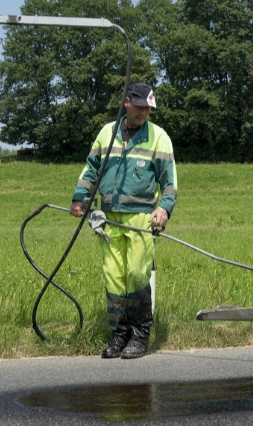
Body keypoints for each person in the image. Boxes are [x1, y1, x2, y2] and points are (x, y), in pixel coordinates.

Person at [70, 82, 177, 360]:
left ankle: (140, 336)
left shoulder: (159, 137)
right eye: (140, 107)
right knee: (114, 277)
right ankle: (119, 334)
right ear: (127, 103)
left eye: (148, 109)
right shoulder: (107, 133)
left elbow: (170, 183)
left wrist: (164, 209)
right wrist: (80, 198)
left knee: (137, 275)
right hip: (109, 219)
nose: (144, 113)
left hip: (141, 218)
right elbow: (91, 169)